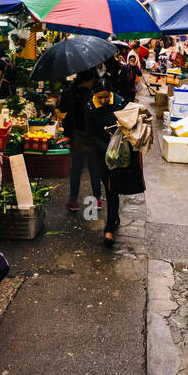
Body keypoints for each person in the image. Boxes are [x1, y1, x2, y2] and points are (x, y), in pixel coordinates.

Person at [85, 76, 126, 247]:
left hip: (119, 154)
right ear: (93, 94)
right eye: (99, 97)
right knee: (107, 186)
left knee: (112, 190)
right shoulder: (89, 107)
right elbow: (89, 134)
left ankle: (109, 228)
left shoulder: (120, 103)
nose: (103, 100)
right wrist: (105, 149)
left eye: (106, 96)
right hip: (100, 154)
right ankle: (114, 218)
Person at [59, 69, 101, 211]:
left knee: (76, 170)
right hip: (92, 137)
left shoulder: (68, 93)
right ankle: (97, 200)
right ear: (87, 80)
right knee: (94, 170)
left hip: (76, 136)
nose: (93, 82)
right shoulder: (92, 97)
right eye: (92, 80)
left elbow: (62, 109)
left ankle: (74, 201)